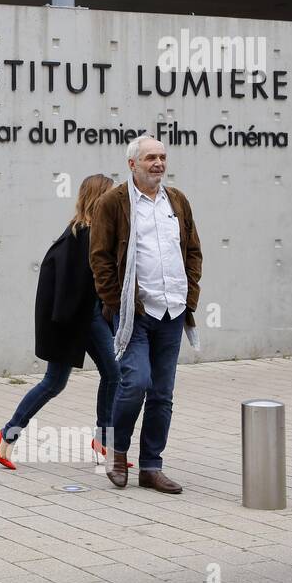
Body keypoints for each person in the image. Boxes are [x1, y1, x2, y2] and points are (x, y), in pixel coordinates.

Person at [89, 135, 203, 494]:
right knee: (135, 382)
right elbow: (100, 257)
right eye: (151, 157)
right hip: (134, 312)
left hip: (173, 310)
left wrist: (191, 295)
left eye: (162, 157)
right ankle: (118, 453)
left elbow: (193, 250)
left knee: (162, 393)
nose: (158, 163)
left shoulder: (177, 201)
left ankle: (151, 467)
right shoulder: (113, 202)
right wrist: (114, 302)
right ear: (132, 164)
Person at [0, 175, 119, 469]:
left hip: (82, 318)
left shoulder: (85, 231)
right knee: (106, 375)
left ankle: (9, 434)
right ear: (99, 197)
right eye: (111, 196)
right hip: (80, 320)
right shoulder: (83, 234)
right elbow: (71, 288)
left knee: (60, 382)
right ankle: (102, 438)